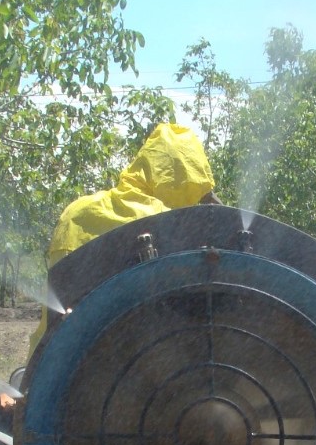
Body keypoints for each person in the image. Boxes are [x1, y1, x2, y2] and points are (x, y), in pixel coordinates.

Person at [27, 123, 216, 357]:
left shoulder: (77, 212)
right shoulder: (174, 225)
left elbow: (58, 302)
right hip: (148, 361)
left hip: (67, 357)